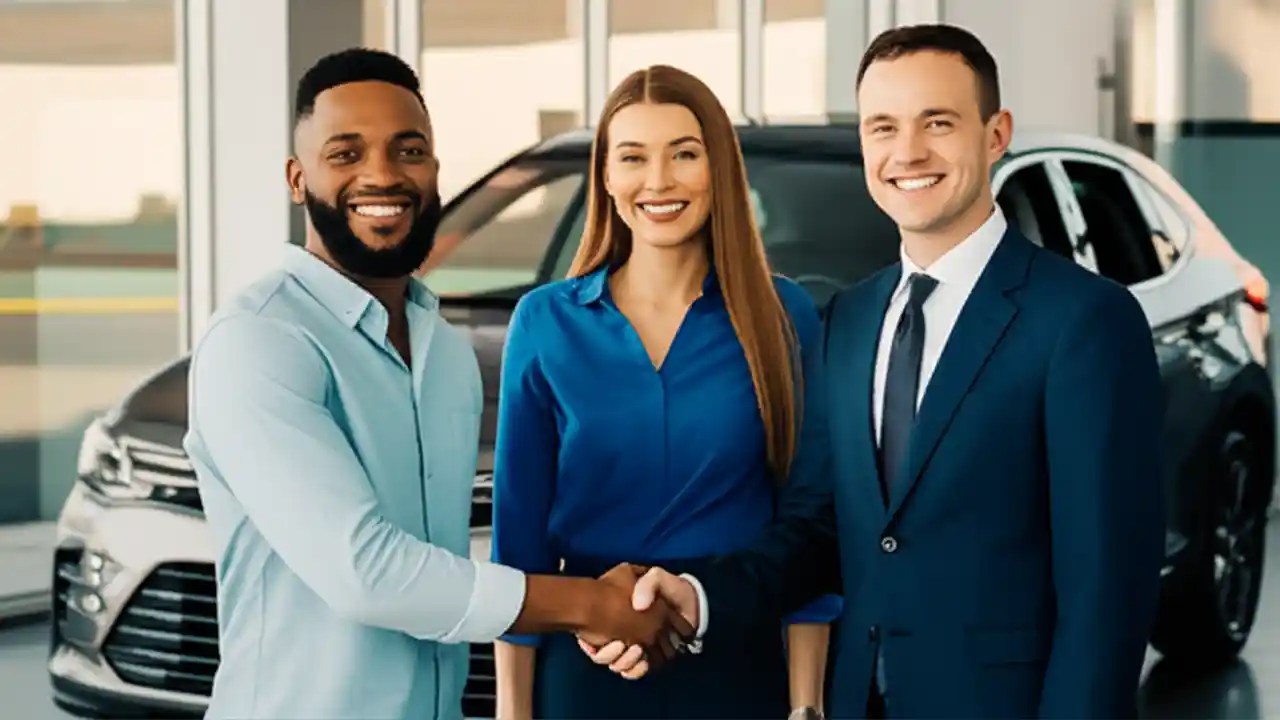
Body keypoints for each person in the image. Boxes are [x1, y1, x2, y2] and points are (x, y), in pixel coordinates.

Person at [587, 24, 1167, 719]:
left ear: (996, 135)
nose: (907, 152)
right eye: (883, 127)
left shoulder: (1084, 321)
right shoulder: (851, 321)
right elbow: (819, 532)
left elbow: (1107, 593)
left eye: (937, 123)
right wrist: (697, 595)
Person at [183, 48, 690, 720]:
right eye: (346, 153)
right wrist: (589, 604)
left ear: (435, 170)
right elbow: (367, 573)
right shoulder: (258, 340)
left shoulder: (444, 353)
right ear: (297, 179)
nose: (382, 174)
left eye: (409, 150)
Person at [489, 64, 842, 720]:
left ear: (719, 169)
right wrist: (513, 712)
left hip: (740, 666)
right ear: (605, 176)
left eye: (683, 154)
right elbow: (519, 543)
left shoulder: (782, 317)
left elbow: (808, 527)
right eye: (633, 157)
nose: (658, 181)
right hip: (587, 668)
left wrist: (806, 705)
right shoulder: (545, 322)